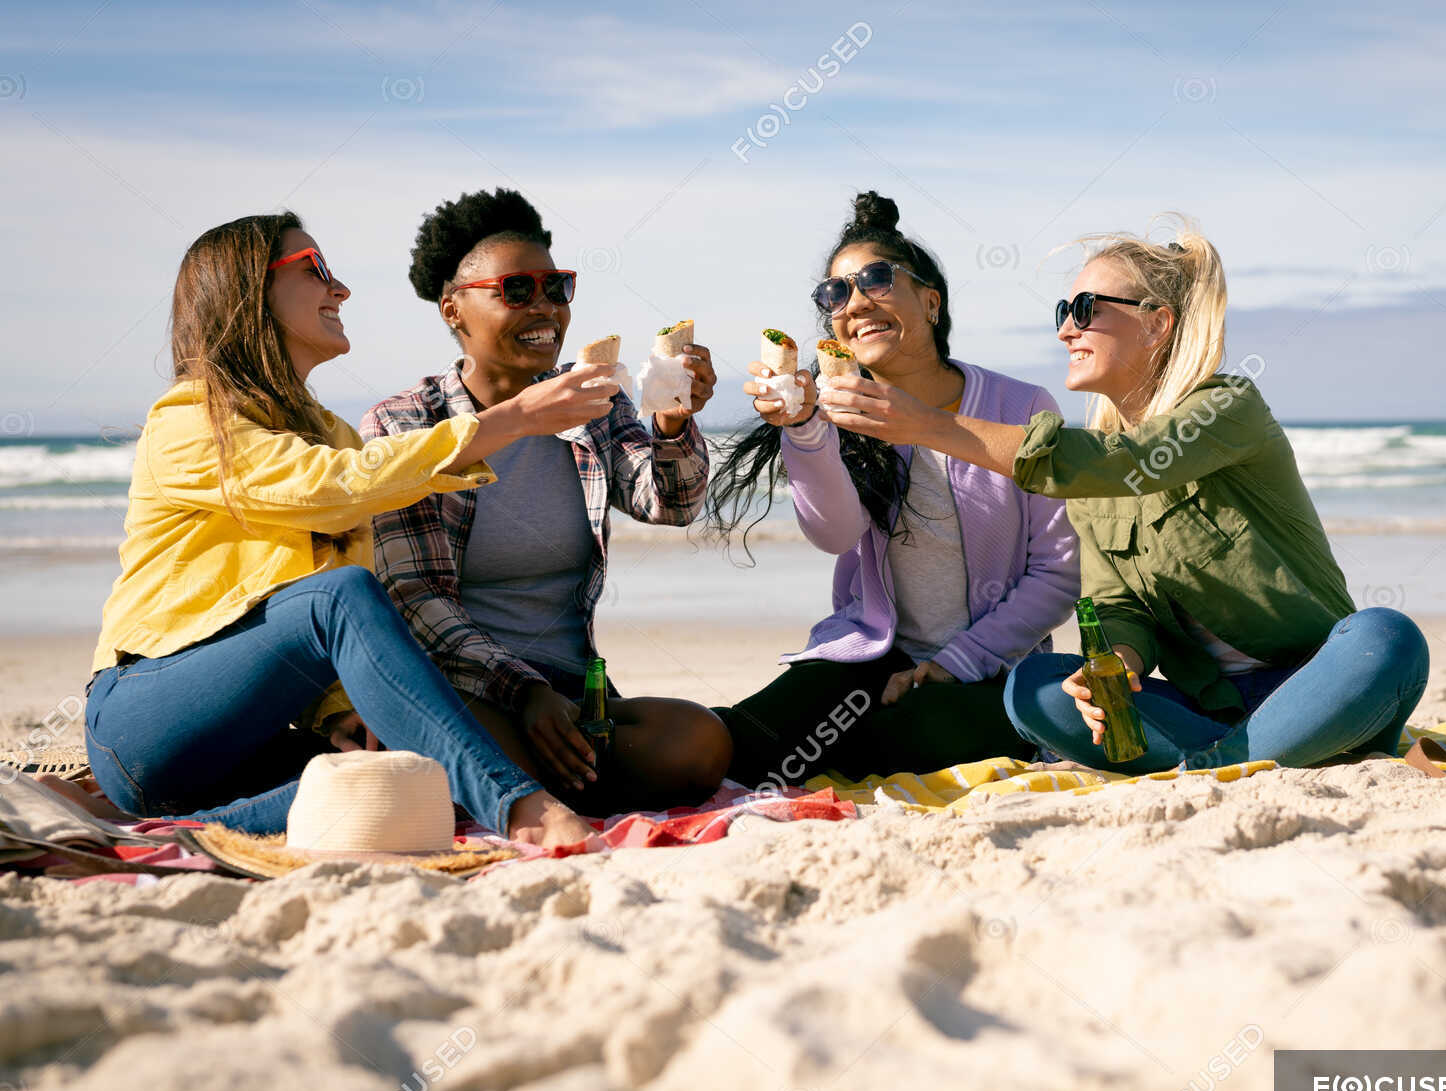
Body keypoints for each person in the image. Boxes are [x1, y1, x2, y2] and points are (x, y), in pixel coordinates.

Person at [819, 218, 1430, 772]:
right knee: (1034, 686)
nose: (1065, 330)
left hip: (1317, 680)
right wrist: (1116, 665)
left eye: (1085, 309)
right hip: (1206, 706)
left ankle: (1230, 759)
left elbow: (1132, 464)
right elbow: (1118, 608)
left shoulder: (1226, 406)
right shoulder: (1090, 476)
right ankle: (1243, 755)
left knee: (1386, 636)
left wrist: (929, 424)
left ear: (1157, 322)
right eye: (1063, 309)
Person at [85, 212, 608, 845]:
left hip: (250, 739)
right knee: (344, 597)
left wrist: (342, 712)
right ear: (250, 291)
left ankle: (162, 832)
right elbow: (331, 491)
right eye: (315, 270)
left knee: (406, 776)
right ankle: (525, 811)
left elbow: (336, 534)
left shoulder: (330, 432)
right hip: (143, 721)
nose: (341, 290)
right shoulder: (191, 418)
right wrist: (510, 421)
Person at [362, 189, 730, 809]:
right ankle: (517, 779)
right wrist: (524, 691)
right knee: (463, 746)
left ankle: (510, 786)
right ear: (454, 309)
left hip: (574, 694)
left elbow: (671, 503)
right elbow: (415, 596)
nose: (545, 308)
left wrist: (671, 418)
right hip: (465, 691)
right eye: (517, 290)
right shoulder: (406, 424)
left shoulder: (592, 399)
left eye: (556, 288)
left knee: (699, 741)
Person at [707, 192, 1079, 788]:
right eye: (835, 293)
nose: (854, 303)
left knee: (902, 735)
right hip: (869, 657)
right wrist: (803, 432)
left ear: (930, 301)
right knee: (747, 742)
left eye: (876, 280)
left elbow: (1058, 573)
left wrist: (953, 664)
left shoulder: (1021, 407)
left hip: (992, 669)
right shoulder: (833, 416)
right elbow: (833, 534)